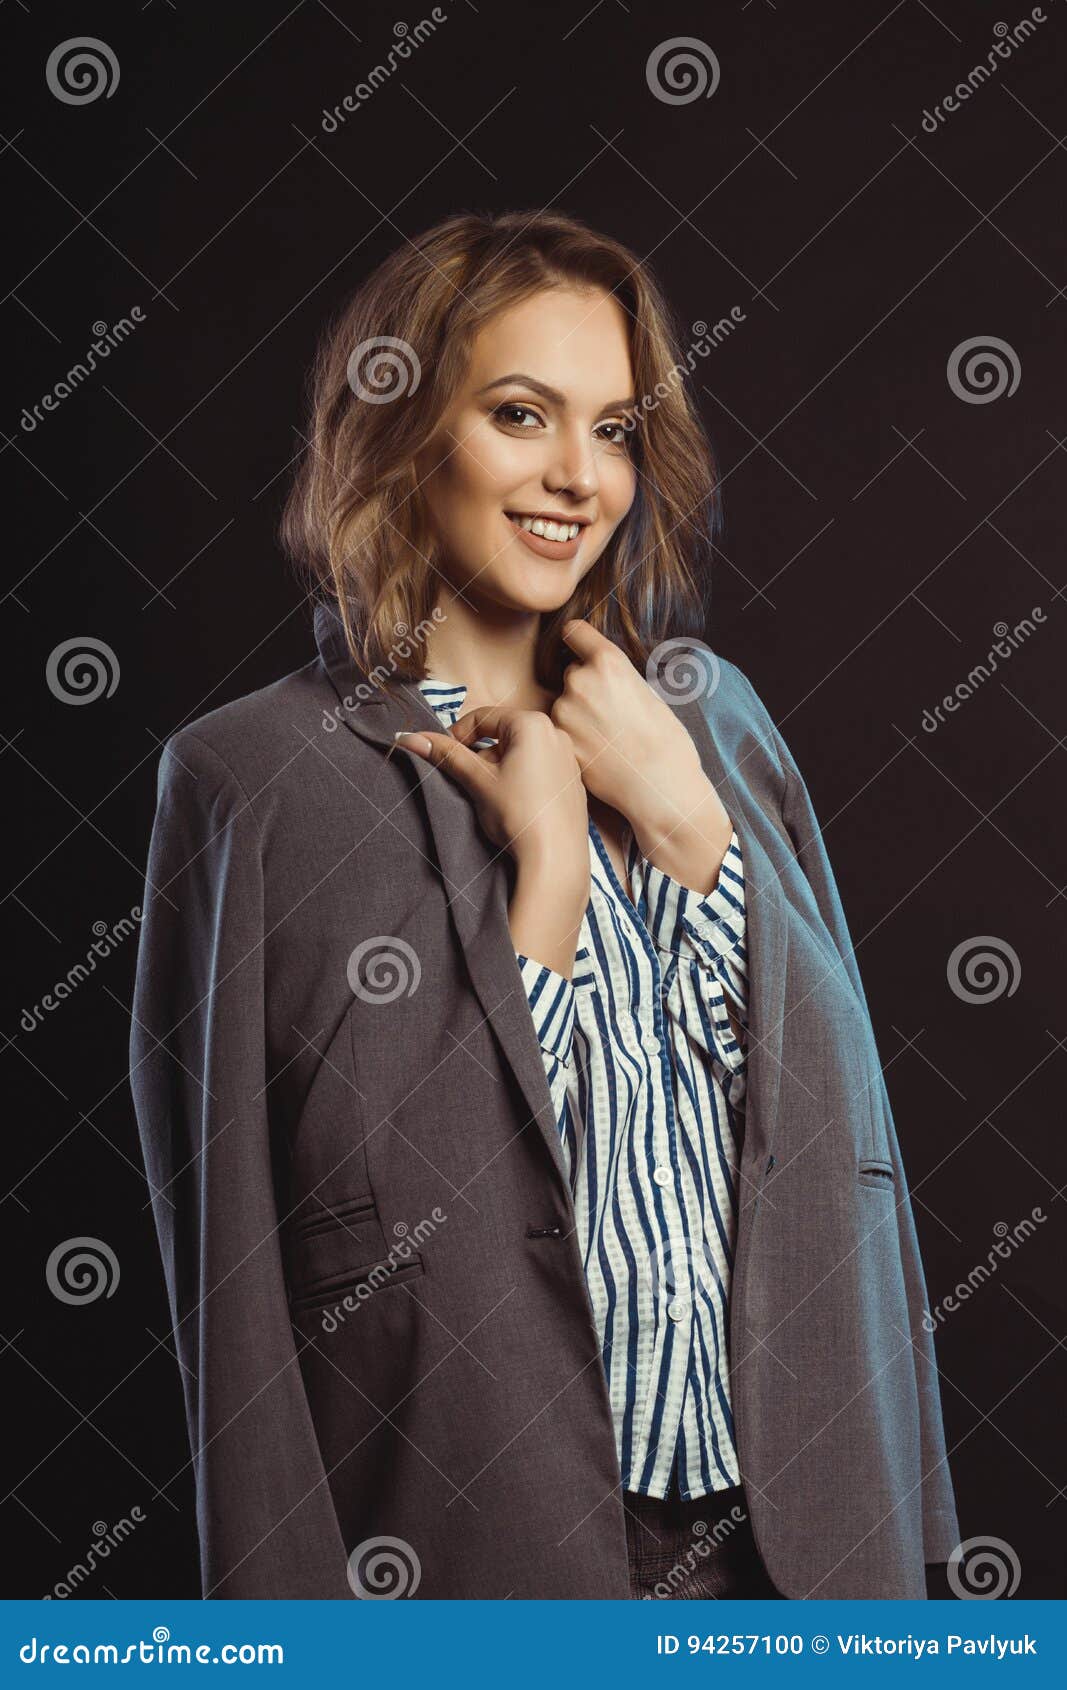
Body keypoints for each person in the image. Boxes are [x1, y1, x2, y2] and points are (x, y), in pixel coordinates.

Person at [130, 209, 960, 1601]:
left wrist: (689, 825)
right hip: (476, 1561)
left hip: (802, 1553)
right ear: (398, 431)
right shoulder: (258, 781)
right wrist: (553, 884)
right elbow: (254, 1285)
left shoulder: (711, 722)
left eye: (618, 428)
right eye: (523, 414)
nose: (581, 476)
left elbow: (848, 1155)